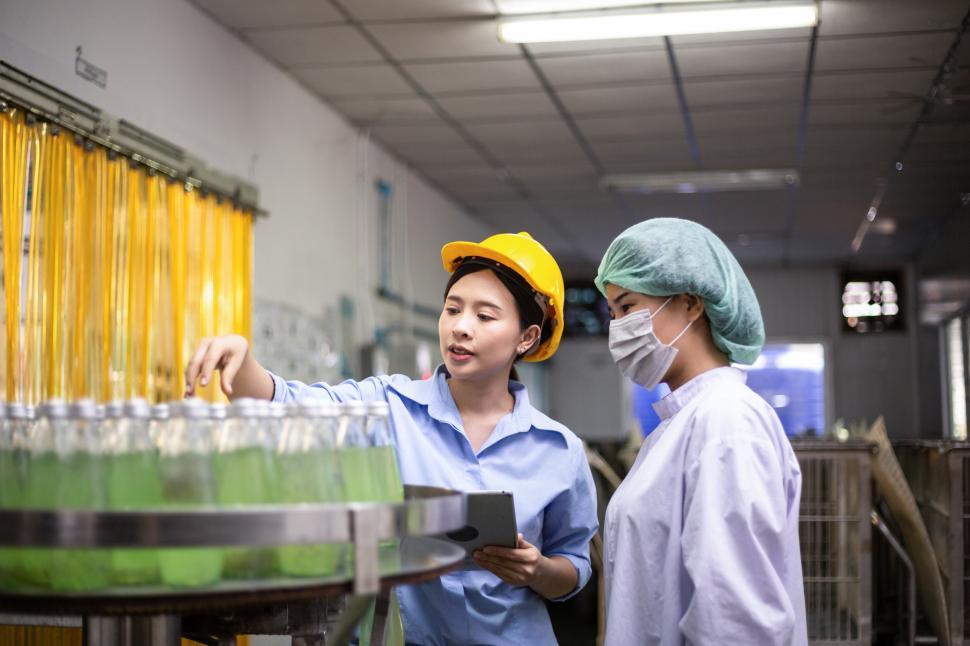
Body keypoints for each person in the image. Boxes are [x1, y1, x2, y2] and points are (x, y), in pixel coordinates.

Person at [184, 232, 598, 646]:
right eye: (452, 309)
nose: (460, 327)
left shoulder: (558, 449)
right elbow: (293, 404)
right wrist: (240, 363)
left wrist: (537, 569)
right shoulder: (387, 404)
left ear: (525, 338)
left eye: (484, 317)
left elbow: (574, 568)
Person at [595, 218, 807, 645]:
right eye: (612, 313)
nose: (617, 328)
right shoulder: (679, 424)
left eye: (628, 306)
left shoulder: (726, 421)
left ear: (691, 303)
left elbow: (735, 621)